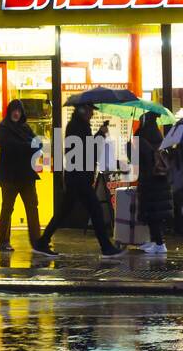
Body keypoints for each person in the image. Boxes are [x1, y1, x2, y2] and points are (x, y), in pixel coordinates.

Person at [33, 103, 125, 259]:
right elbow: (86, 149)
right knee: (95, 210)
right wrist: (100, 135)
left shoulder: (79, 125)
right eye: (90, 111)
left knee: (64, 212)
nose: (92, 114)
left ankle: (42, 242)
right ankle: (106, 247)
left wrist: (98, 135)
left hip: (77, 176)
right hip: (78, 177)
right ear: (82, 110)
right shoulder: (77, 126)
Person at [0, 99, 42, 252]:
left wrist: (27, 145)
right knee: (7, 208)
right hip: (9, 176)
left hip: (26, 176)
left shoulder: (25, 127)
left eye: (19, 111)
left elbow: (38, 143)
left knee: (32, 207)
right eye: (14, 110)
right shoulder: (3, 128)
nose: (16, 113)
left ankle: (36, 242)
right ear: (9, 112)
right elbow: (11, 146)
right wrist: (29, 145)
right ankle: (4, 242)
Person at [134, 114, 172, 255]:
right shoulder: (159, 137)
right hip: (160, 181)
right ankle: (155, 241)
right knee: (155, 214)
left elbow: (136, 159)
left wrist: (131, 143)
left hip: (150, 181)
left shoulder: (142, 139)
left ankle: (159, 244)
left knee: (152, 214)